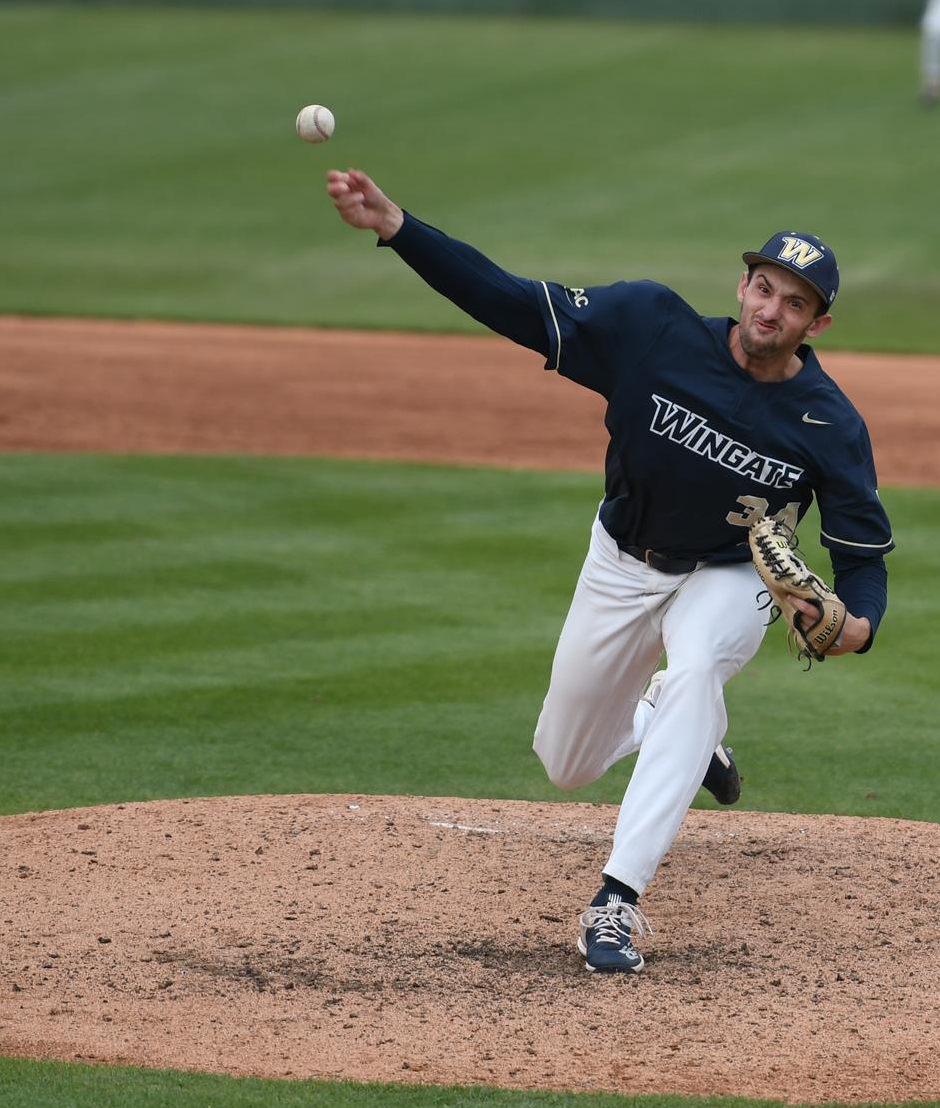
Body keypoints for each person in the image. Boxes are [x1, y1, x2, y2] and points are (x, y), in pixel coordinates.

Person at [324, 169, 893, 974]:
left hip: (731, 575)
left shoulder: (830, 423)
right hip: (621, 560)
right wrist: (398, 227)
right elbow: (513, 303)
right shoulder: (652, 326)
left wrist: (857, 628)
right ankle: (676, 729)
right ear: (743, 285)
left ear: (817, 323)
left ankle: (616, 902)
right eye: (765, 288)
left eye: (794, 303)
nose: (771, 310)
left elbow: (862, 559)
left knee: (698, 668)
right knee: (567, 761)